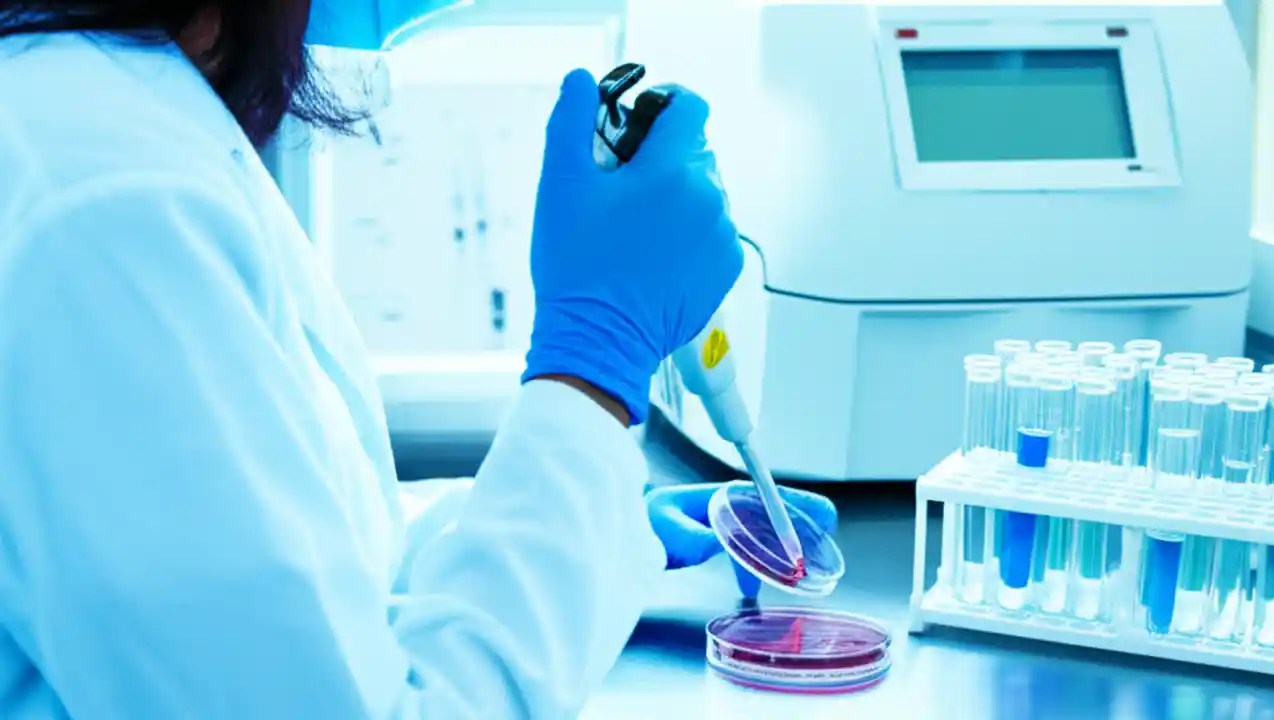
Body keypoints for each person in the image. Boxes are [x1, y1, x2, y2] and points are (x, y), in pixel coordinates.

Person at [0, 1, 836, 717]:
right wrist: (593, 370)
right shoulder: (108, 202)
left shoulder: (115, 110)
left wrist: (594, 521)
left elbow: (279, 571)